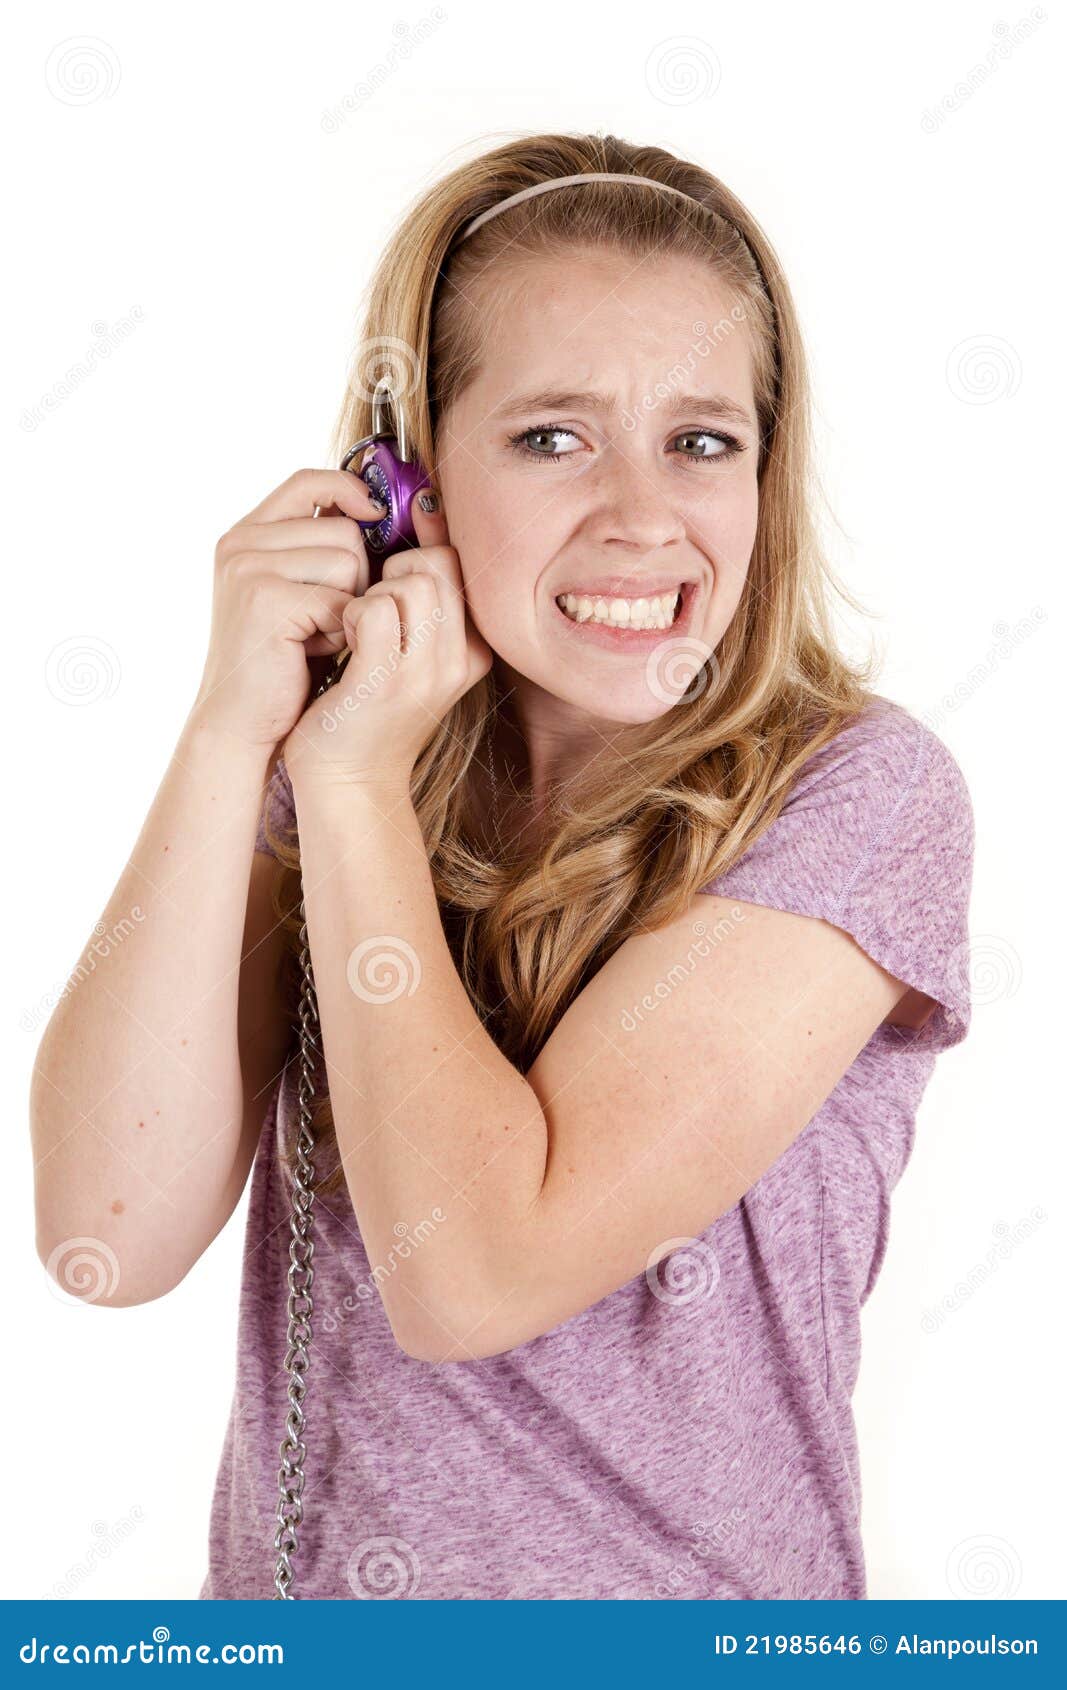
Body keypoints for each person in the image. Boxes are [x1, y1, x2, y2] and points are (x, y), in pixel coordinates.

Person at [31, 131, 974, 1601]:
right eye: (553, 435)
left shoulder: (857, 793)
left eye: (702, 440)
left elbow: (470, 1270)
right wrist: (235, 726)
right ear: (405, 480)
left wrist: (348, 788)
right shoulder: (348, 765)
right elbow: (105, 1229)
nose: (643, 516)